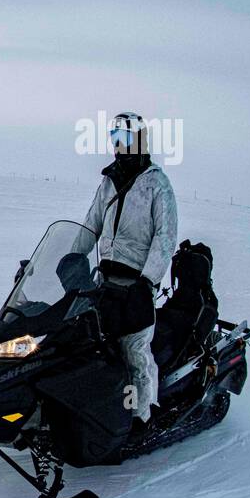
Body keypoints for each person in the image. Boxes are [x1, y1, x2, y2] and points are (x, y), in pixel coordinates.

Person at [75, 112, 178, 435]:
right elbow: (91, 224)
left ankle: (141, 418)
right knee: (91, 343)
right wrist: (68, 257)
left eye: (125, 137)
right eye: (115, 137)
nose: (118, 144)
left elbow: (165, 237)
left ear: (140, 141)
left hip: (136, 283)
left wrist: (147, 281)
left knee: (134, 350)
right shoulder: (109, 181)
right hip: (105, 280)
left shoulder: (156, 183)